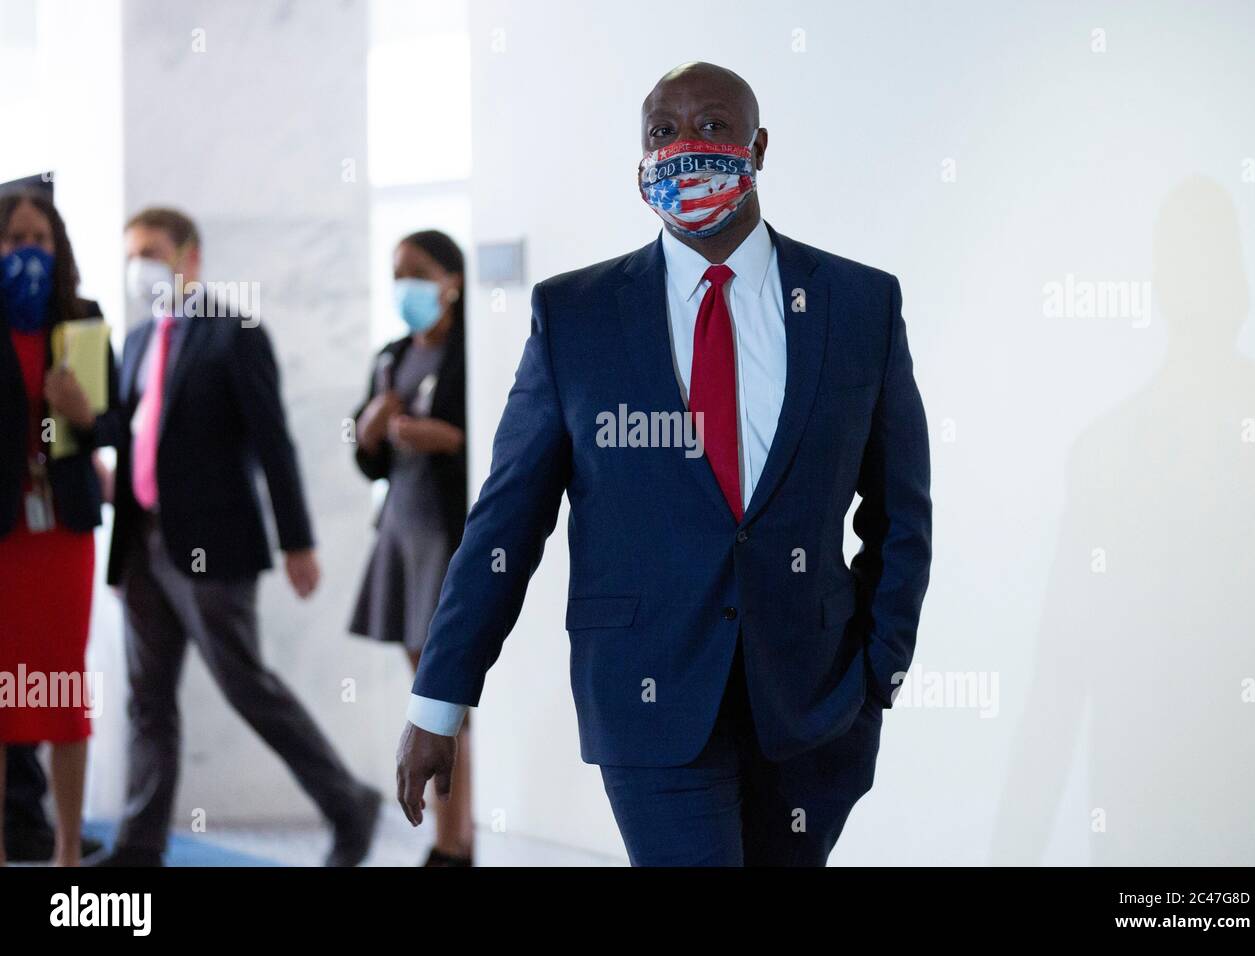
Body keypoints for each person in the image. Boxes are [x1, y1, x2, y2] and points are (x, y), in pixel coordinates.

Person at [396, 63, 933, 866]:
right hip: (648, 704)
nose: (687, 147)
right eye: (662, 133)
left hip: (815, 709)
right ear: (639, 162)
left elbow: (901, 512)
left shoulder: (859, 305)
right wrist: (440, 703)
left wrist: (877, 676)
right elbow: (506, 521)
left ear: (758, 147)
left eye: (714, 127)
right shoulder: (575, 316)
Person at [94, 207, 381, 867]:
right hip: (141, 543)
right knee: (148, 701)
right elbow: (130, 429)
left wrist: (297, 542)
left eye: (152, 251)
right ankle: (140, 848)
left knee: (246, 685)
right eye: (131, 252)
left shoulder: (236, 332)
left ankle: (347, 803)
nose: (141, 266)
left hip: (213, 546)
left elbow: (272, 442)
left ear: (190, 256)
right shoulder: (136, 340)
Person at [0, 190, 119, 866]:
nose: (27, 251)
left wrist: (79, 412)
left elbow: (114, 424)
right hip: (4, 534)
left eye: (39, 239)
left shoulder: (82, 322)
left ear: (59, 247)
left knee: (62, 686)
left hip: (61, 536)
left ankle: (68, 851)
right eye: (14, 238)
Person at [349, 230, 472, 866]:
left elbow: (483, 441)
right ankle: (454, 838)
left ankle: (451, 844)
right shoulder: (391, 357)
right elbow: (367, 461)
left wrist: (446, 439)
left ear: (451, 280)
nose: (406, 288)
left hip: (447, 535)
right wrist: (368, 432)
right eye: (397, 273)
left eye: (417, 273)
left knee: (441, 693)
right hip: (400, 531)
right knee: (427, 687)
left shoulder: (470, 353)